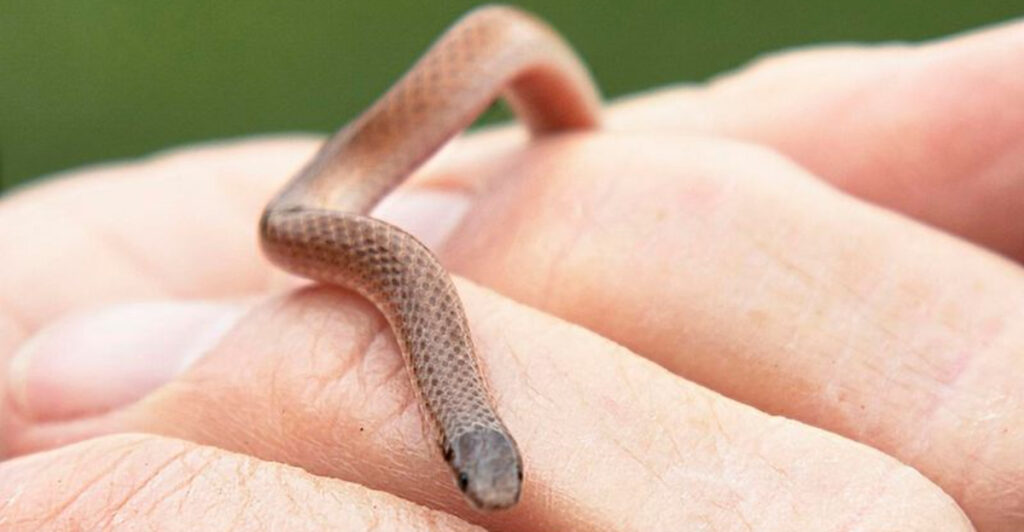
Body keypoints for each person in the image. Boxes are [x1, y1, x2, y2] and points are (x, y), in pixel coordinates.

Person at [0, 18, 1021, 531]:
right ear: (455, 443)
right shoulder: (354, 245)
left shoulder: (369, 248)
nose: (490, 497)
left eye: (485, 478)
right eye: (476, 475)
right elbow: (294, 226)